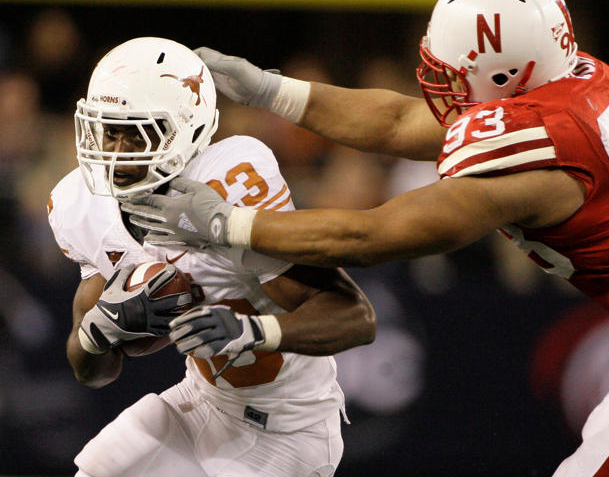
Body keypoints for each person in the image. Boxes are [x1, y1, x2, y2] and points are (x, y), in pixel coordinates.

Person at [123, 0, 609, 476]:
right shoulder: (573, 84)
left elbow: (370, 236)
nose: (439, 82)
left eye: (455, 71)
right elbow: (398, 121)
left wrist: (227, 226)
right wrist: (269, 88)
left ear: (507, 73)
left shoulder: (535, 154)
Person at [47, 37, 376, 477]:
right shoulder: (79, 205)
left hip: (288, 431)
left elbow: (354, 317)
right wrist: (97, 332)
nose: (120, 151)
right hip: (201, 402)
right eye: (110, 130)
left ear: (189, 129)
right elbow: (91, 371)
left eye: (141, 132)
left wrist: (253, 331)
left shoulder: (227, 186)